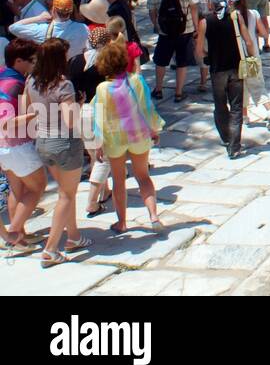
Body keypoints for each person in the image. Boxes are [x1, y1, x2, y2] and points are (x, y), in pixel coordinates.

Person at [90, 41, 164, 233]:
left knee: (119, 181)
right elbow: (147, 108)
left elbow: (100, 119)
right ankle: (154, 215)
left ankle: (121, 222)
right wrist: (154, 129)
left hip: (115, 140)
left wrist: (98, 143)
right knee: (143, 177)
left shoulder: (103, 88)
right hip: (139, 134)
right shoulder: (137, 81)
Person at [28, 38, 89, 267]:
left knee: (66, 192)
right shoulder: (64, 85)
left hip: (43, 142)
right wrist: (79, 105)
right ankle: (51, 249)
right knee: (66, 195)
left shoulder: (32, 81)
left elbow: (29, 111)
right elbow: (70, 120)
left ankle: (73, 236)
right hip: (64, 144)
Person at [194, 0, 255, 160]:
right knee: (236, 107)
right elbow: (248, 41)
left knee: (220, 106)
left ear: (211, 4)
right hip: (236, 68)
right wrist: (252, 57)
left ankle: (227, 139)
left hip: (217, 70)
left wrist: (209, 55)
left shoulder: (205, 22)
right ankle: (235, 146)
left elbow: (199, 51)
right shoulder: (236, 17)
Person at [0, 37, 46, 253]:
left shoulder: (3, 76)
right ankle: (14, 234)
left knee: (17, 189)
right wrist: (33, 115)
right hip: (16, 144)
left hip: (5, 148)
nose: (35, 64)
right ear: (19, 61)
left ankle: (21, 235)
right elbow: (6, 122)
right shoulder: (14, 84)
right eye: (33, 60)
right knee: (37, 186)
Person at [148, 0, 201, 102]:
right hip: (185, 28)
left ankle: (158, 89)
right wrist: (196, 27)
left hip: (165, 30)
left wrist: (157, 25)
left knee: (161, 60)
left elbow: (152, 11)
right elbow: (194, 6)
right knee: (182, 61)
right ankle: (178, 92)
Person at [225, 0, 270, 121]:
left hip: (237, 57)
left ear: (230, 2)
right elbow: (264, 33)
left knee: (240, 87)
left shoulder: (231, 17)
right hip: (253, 55)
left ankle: (245, 116)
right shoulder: (254, 14)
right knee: (258, 84)